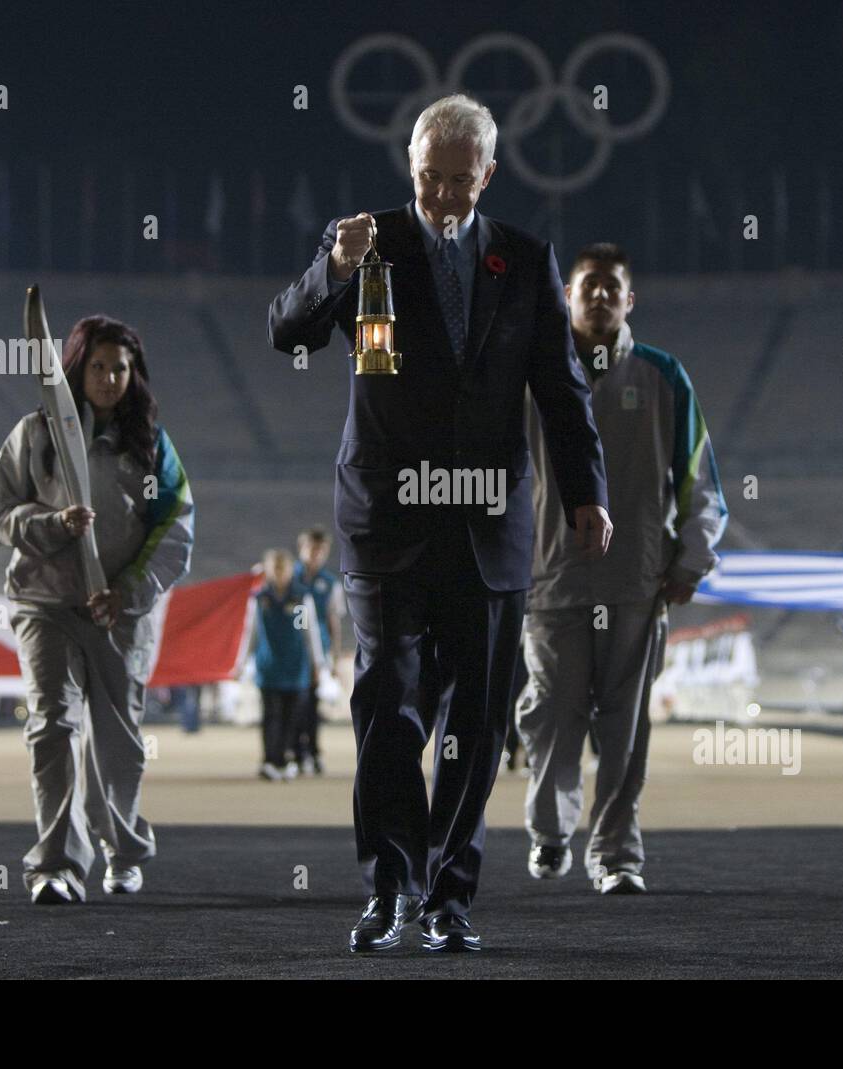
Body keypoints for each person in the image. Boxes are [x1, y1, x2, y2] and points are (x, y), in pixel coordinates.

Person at [268, 93, 610, 953]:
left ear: (488, 174)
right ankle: (389, 885)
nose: (445, 197)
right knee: (387, 702)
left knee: (478, 720)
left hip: (488, 525)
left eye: (462, 181)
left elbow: (561, 390)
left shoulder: (525, 261)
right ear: (408, 166)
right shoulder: (364, 240)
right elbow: (288, 332)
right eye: (430, 178)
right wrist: (332, 273)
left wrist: (586, 493)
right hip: (388, 519)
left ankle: (450, 896)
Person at [516, 243, 727, 895]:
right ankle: (551, 831)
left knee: (624, 725)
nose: (600, 295)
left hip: (636, 582)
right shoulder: (531, 377)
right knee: (550, 711)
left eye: (612, 286)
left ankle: (614, 852)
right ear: (568, 297)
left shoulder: (664, 376)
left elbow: (700, 481)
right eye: (588, 286)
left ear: (628, 299)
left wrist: (691, 559)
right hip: (549, 580)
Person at [0, 314, 194, 904]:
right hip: (43, 603)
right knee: (52, 725)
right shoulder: (34, 435)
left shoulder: (152, 446)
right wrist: (53, 524)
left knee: (117, 741)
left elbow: (176, 528)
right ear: (77, 368)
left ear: (135, 375)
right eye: (98, 366)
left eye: (120, 368)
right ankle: (55, 865)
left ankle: (123, 851)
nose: (108, 378)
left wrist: (126, 591)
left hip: (119, 613)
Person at [246, 548, 322, 780]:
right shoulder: (260, 598)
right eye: (274, 568)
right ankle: (270, 760)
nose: (279, 573)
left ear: (290, 570)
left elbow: (309, 633)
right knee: (271, 716)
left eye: (282, 568)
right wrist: (243, 663)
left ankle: (285, 758)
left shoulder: (300, 597)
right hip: (268, 667)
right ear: (268, 570)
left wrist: (316, 663)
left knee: (292, 718)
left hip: (296, 667)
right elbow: (251, 632)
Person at [292, 526, 345, 775]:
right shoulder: (287, 577)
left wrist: (333, 656)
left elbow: (334, 621)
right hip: (290, 651)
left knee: (312, 705)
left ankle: (312, 752)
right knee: (292, 704)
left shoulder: (330, 584)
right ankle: (294, 752)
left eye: (321, 550)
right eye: (312, 549)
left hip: (316, 652)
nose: (316, 554)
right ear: (302, 548)